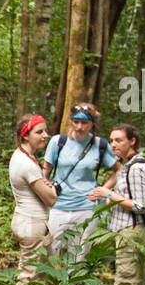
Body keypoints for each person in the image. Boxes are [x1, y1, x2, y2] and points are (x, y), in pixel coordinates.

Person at [43, 102, 120, 260]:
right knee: (49, 249)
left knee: (79, 253)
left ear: (92, 124)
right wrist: (45, 190)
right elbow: (46, 170)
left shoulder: (100, 145)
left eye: (84, 123)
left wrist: (103, 190)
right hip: (59, 204)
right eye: (76, 122)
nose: (79, 127)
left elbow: (119, 170)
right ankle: (51, 283)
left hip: (86, 207)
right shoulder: (58, 141)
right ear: (71, 121)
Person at [92, 123, 145, 285]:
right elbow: (127, 198)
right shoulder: (128, 165)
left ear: (132, 141)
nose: (113, 145)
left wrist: (108, 194)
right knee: (129, 278)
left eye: (119, 140)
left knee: (127, 281)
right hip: (125, 229)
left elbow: (139, 205)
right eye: (111, 141)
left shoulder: (136, 168)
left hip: (131, 230)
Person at [8, 114, 58, 285]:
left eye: (45, 131)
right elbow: (51, 198)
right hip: (31, 222)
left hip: (29, 219)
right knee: (29, 272)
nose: (45, 135)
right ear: (25, 136)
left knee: (39, 271)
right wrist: (53, 188)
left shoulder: (24, 156)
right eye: (39, 132)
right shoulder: (26, 164)